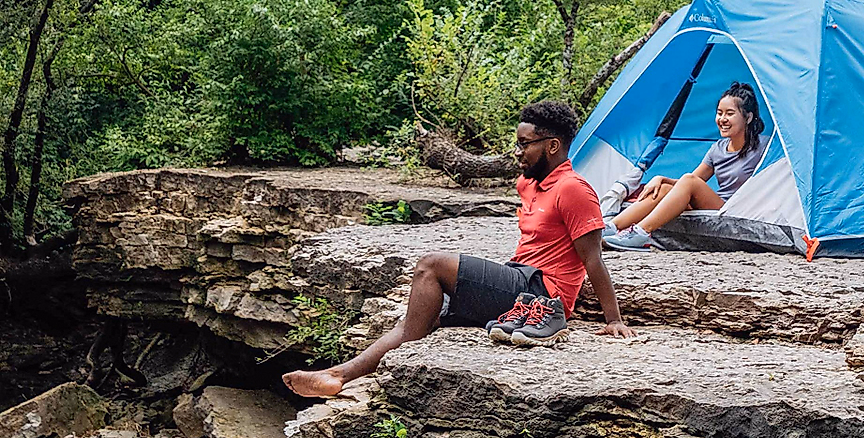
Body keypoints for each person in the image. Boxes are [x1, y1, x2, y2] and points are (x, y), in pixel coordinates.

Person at [283, 100, 634, 398]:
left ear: (552, 146)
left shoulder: (574, 189)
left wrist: (614, 320)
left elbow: (592, 256)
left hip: (541, 293)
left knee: (431, 266)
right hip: (517, 278)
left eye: (525, 144)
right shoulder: (529, 184)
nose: (518, 152)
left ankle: (387, 360)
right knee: (426, 312)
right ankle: (339, 374)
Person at [603, 82, 766, 251]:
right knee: (664, 189)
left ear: (748, 117)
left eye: (730, 113)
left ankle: (641, 233)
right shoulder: (718, 148)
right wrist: (661, 179)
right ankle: (610, 228)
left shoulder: (764, 147)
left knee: (688, 180)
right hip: (715, 203)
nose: (722, 119)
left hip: (735, 208)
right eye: (719, 113)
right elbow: (691, 182)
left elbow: (690, 182)